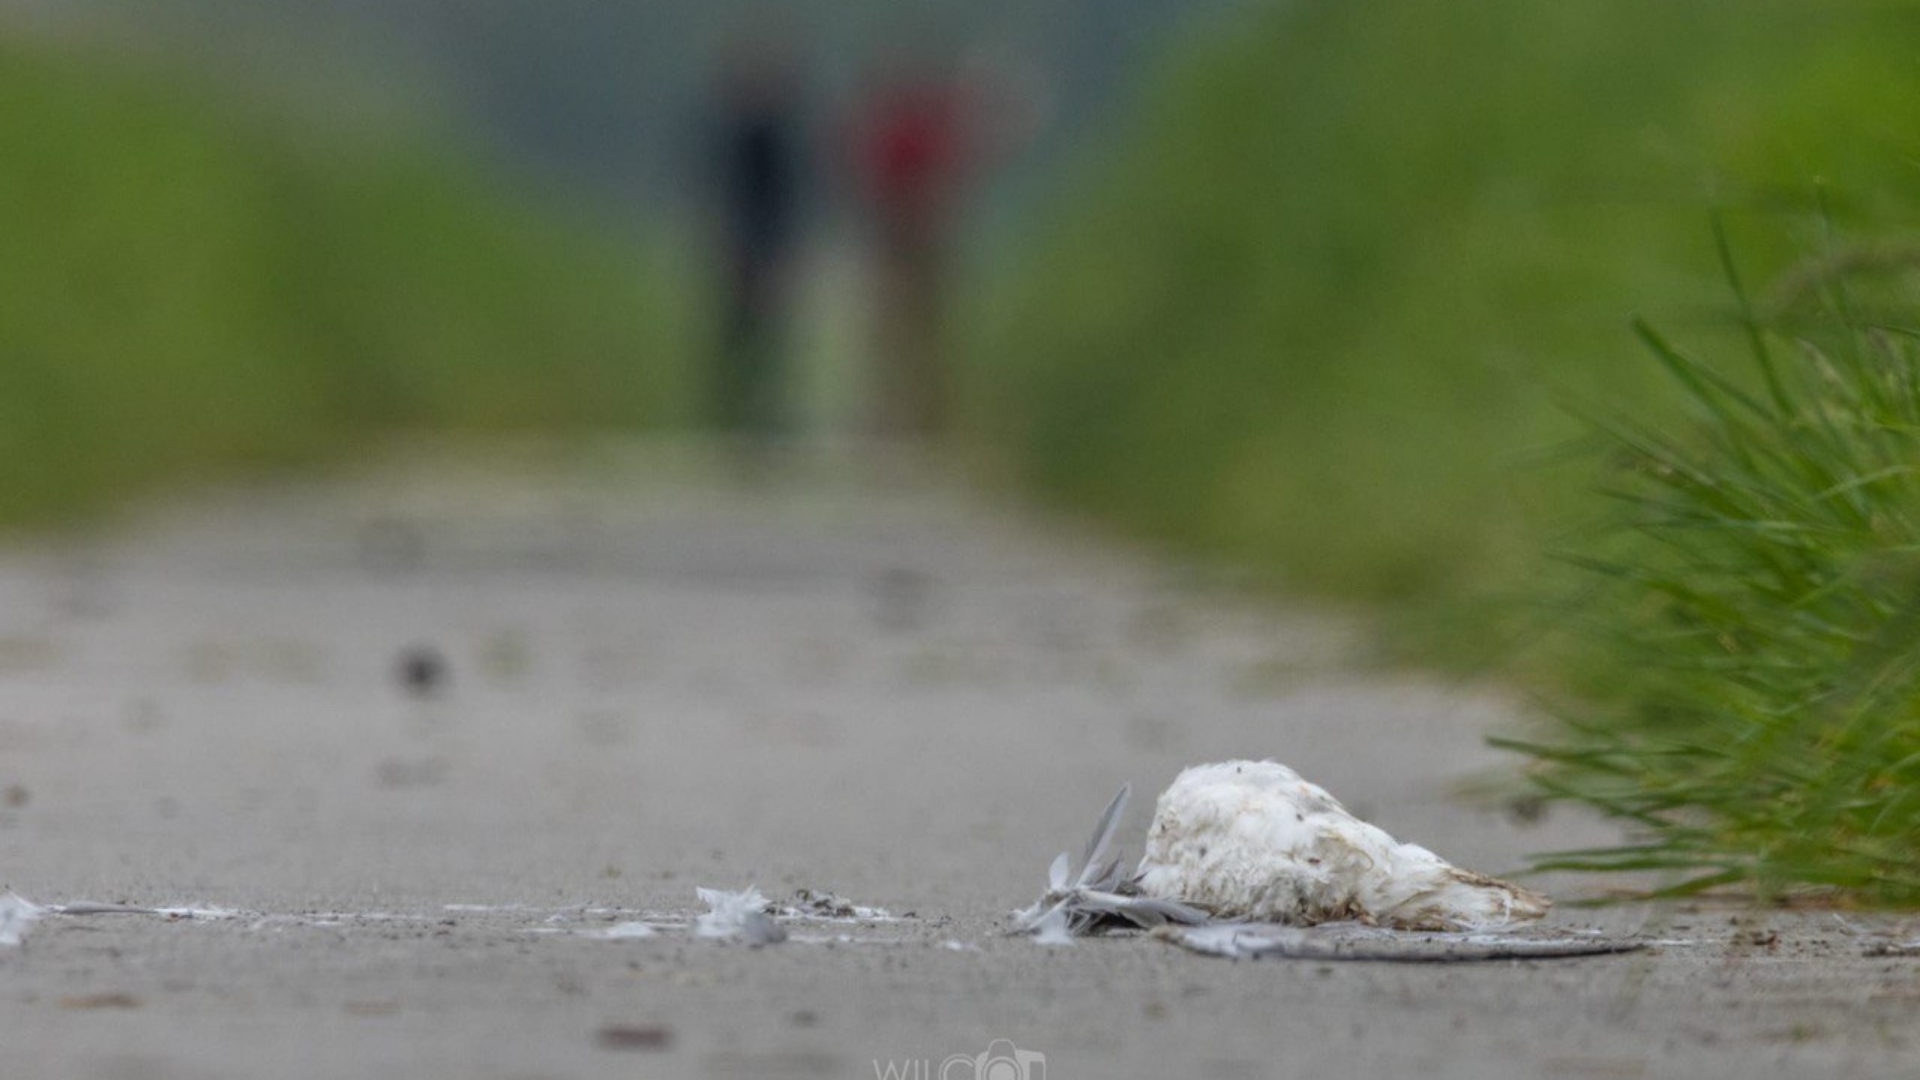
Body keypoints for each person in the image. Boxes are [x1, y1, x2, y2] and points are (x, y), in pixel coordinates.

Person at [707, 43, 804, 441]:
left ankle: (760, 408)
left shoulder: (777, 134)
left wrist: (782, 251)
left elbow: (787, 199)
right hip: (742, 243)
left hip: (765, 245)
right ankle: (733, 405)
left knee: (766, 332)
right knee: (738, 330)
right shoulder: (734, 133)